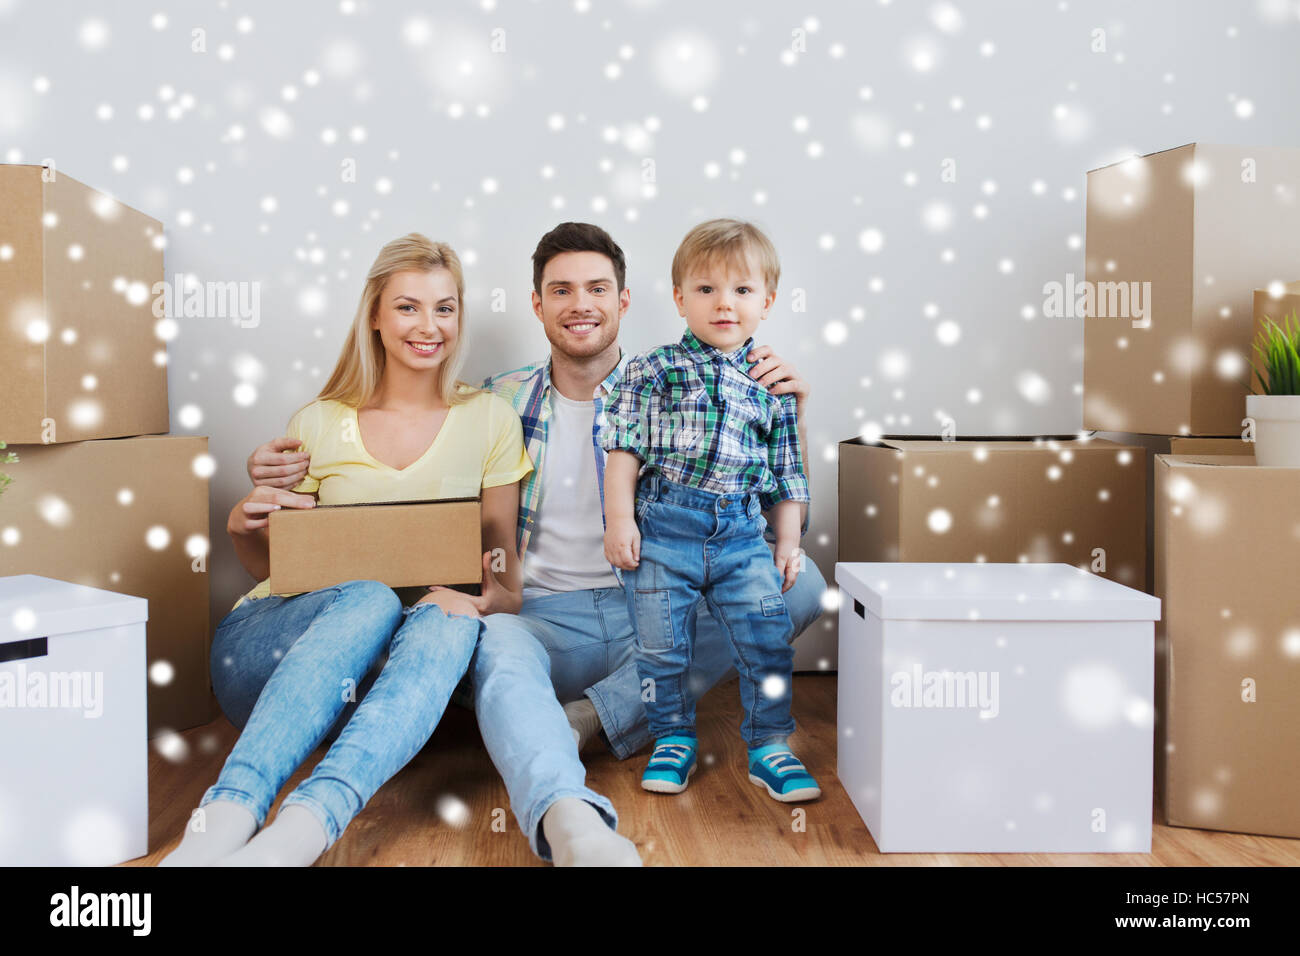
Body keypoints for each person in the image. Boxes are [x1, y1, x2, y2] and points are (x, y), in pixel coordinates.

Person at [247, 222, 826, 866]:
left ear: (626, 302)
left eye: (597, 289)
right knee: (495, 645)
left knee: (799, 585)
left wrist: (787, 411)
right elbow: (403, 460)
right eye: (561, 290)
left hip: (657, 608)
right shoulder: (498, 401)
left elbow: (766, 513)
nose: (581, 304)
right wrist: (276, 472)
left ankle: (588, 722)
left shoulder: (685, 387)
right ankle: (568, 816)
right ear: (537, 304)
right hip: (543, 618)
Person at [160, 233, 534, 867]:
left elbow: (503, 570)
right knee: (365, 596)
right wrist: (241, 526)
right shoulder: (319, 420)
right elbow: (280, 573)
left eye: (445, 308)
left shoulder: (490, 419)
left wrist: (489, 599)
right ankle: (222, 820)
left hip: (387, 692)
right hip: (273, 658)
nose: (429, 325)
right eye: (408, 306)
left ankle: (298, 834)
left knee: (447, 621)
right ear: (376, 317)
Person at [601, 218, 820, 802]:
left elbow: (787, 473)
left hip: (742, 532)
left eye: (742, 291)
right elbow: (624, 448)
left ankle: (770, 743)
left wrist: (788, 540)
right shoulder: (654, 371)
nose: (725, 304)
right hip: (664, 527)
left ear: (767, 301)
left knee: (766, 636)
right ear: (679, 298)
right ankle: (671, 734)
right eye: (706, 290)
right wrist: (619, 519)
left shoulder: (770, 383)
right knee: (660, 644)